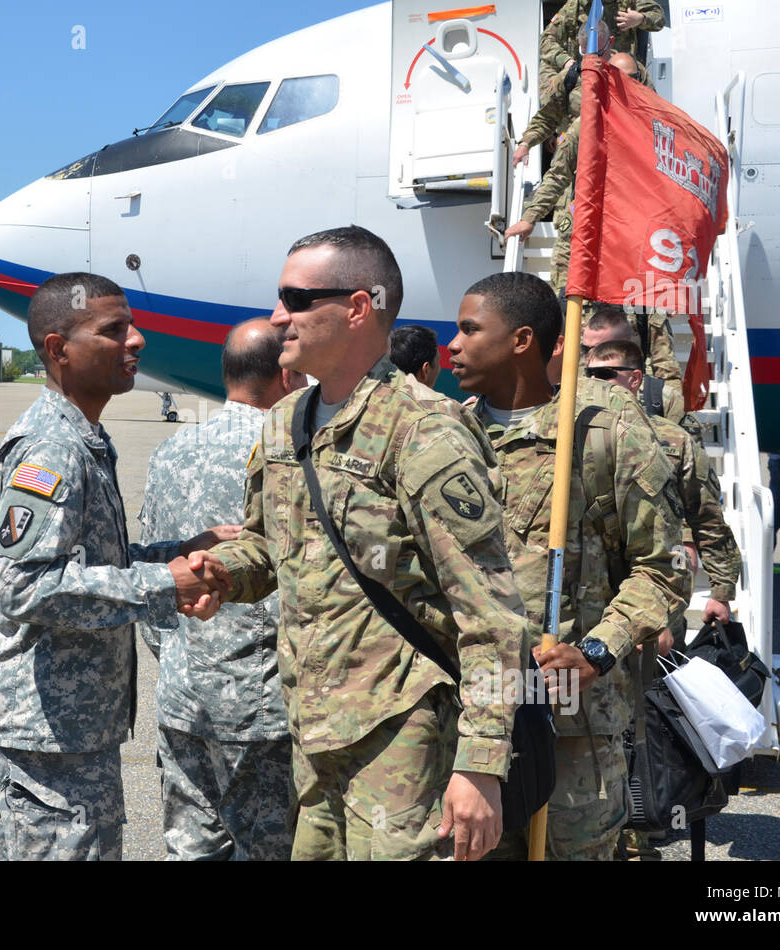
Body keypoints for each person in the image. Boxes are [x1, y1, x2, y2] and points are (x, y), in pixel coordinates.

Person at [187, 226, 531, 862]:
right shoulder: (286, 422)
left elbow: (491, 610)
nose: (277, 316)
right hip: (313, 735)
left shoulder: (425, 430)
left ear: (357, 307)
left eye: (296, 297)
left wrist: (481, 763)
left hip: (403, 739)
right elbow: (271, 548)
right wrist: (221, 573)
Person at [0, 272, 233, 861]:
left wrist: (177, 552)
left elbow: (93, 565)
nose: (136, 341)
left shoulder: (83, 436)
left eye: (131, 326)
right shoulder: (51, 449)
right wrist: (167, 582)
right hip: (48, 733)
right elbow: (26, 587)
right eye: (113, 331)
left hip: (74, 728)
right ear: (58, 349)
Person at [447, 271, 687, 861]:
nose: (451, 345)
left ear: (521, 340)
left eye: (469, 330)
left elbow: (664, 567)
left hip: (568, 726)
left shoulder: (604, 430)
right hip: (470, 717)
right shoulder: (449, 433)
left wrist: (598, 652)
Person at [138, 318, 305, 860]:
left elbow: (153, 574)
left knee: (191, 849)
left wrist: (178, 659)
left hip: (183, 697)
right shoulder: (293, 456)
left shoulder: (171, 451)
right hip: (263, 708)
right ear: (286, 377)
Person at [586, 339, 742, 630]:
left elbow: (707, 517)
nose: (594, 383)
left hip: (655, 592)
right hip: (588, 593)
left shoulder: (672, 440)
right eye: (589, 375)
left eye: (606, 375)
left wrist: (721, 593)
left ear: (634, 380)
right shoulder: (567, 437)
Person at [505, 52, 646, 299]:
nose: (625, 84)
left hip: (628, 229)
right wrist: (530, 217)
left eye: (632, 78)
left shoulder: (650, 124)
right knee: (569, 296)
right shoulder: (587, 124)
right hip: (586, 223)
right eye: (618, 78)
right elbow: (558, 174)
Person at [538, 0, 664, 97]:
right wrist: (565, 60)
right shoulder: (576, 6)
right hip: (586, 71)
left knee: (648, 100)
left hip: (621, 70)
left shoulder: (627, 2)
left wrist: (640, 19)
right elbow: (546, 38)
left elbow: (659, 18)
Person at [582, 306, 683, 407]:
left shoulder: (643, 306)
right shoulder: (573, 302)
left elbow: (666, 368)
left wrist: (667, 405)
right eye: (586, 349)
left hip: (636, 395)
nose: (590, 356)